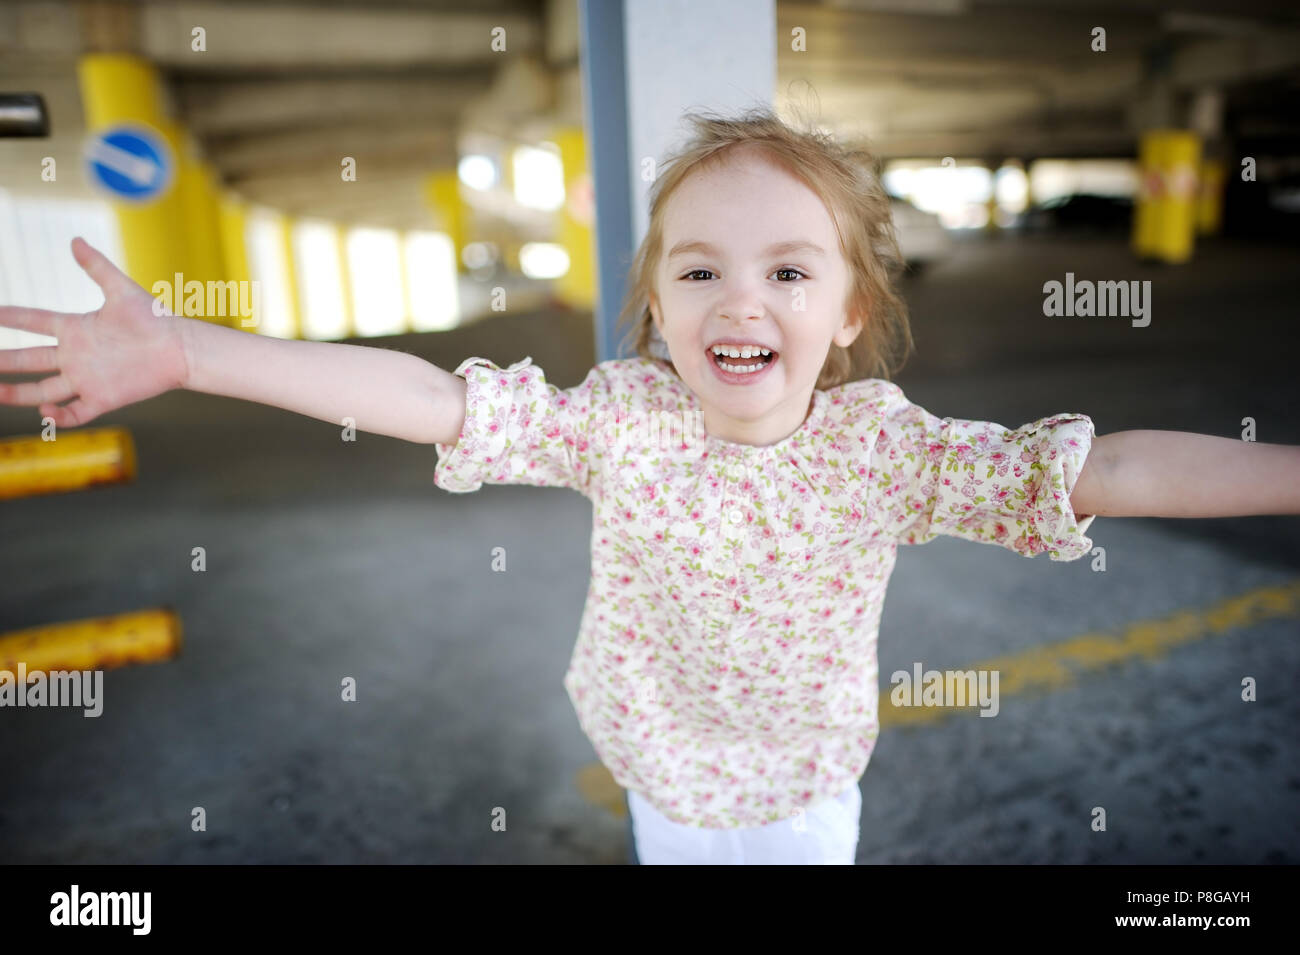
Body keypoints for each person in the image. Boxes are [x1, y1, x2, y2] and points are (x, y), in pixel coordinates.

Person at [2, 107, 1297, 865]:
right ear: (658, 308)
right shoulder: (620, 421)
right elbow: (415, 397)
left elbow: (1107, 468)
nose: (742, 299)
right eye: (700, 272)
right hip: (660, 774)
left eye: (790, 272)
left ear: (850, 313)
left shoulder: (886, 451)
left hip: (806, 796)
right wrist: (188, 349)